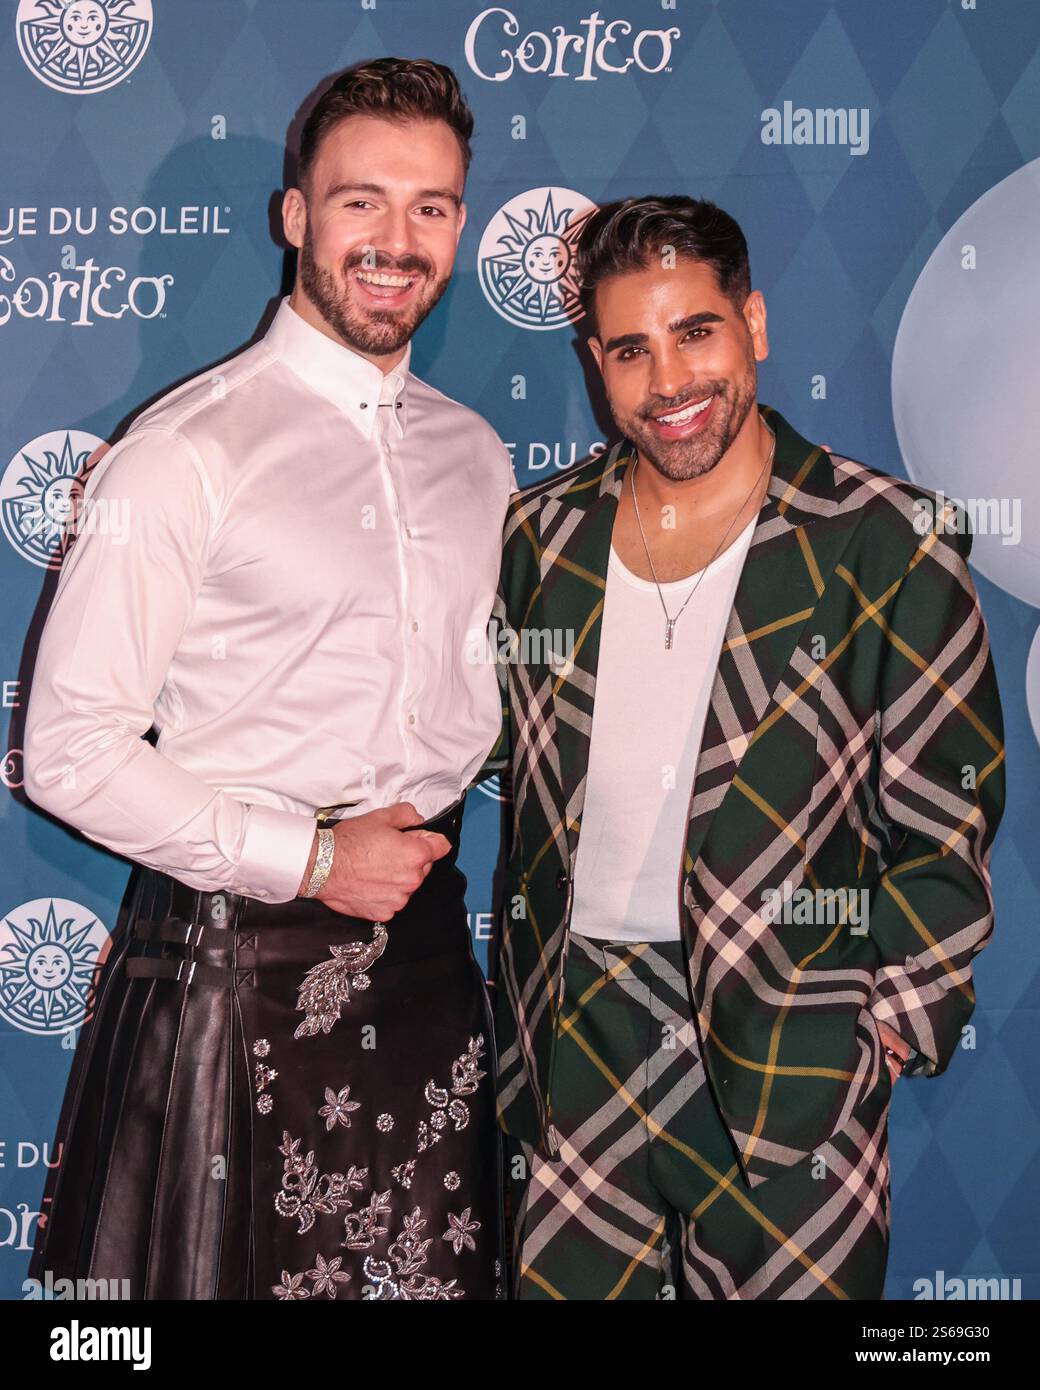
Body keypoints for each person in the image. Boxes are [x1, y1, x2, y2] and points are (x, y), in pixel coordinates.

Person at [24, 57, 512, 1301]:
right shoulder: (184, 453)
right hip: (230, 970)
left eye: (432, 207)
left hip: (427, 978)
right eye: (360, 202)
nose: (396, 242)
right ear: (295, 215)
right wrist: (307, 857)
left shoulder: (477, 455)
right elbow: (68, 751)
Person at [492, 195, 1006, 1299]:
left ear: (754, 324)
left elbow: (944, 830)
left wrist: (880, 1032)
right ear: (595, 362)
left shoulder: (885, 542)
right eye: (630, 349)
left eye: (696, 333)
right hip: (575, 1040)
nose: (667, 382)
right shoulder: (541, 534)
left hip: (788, 1047)